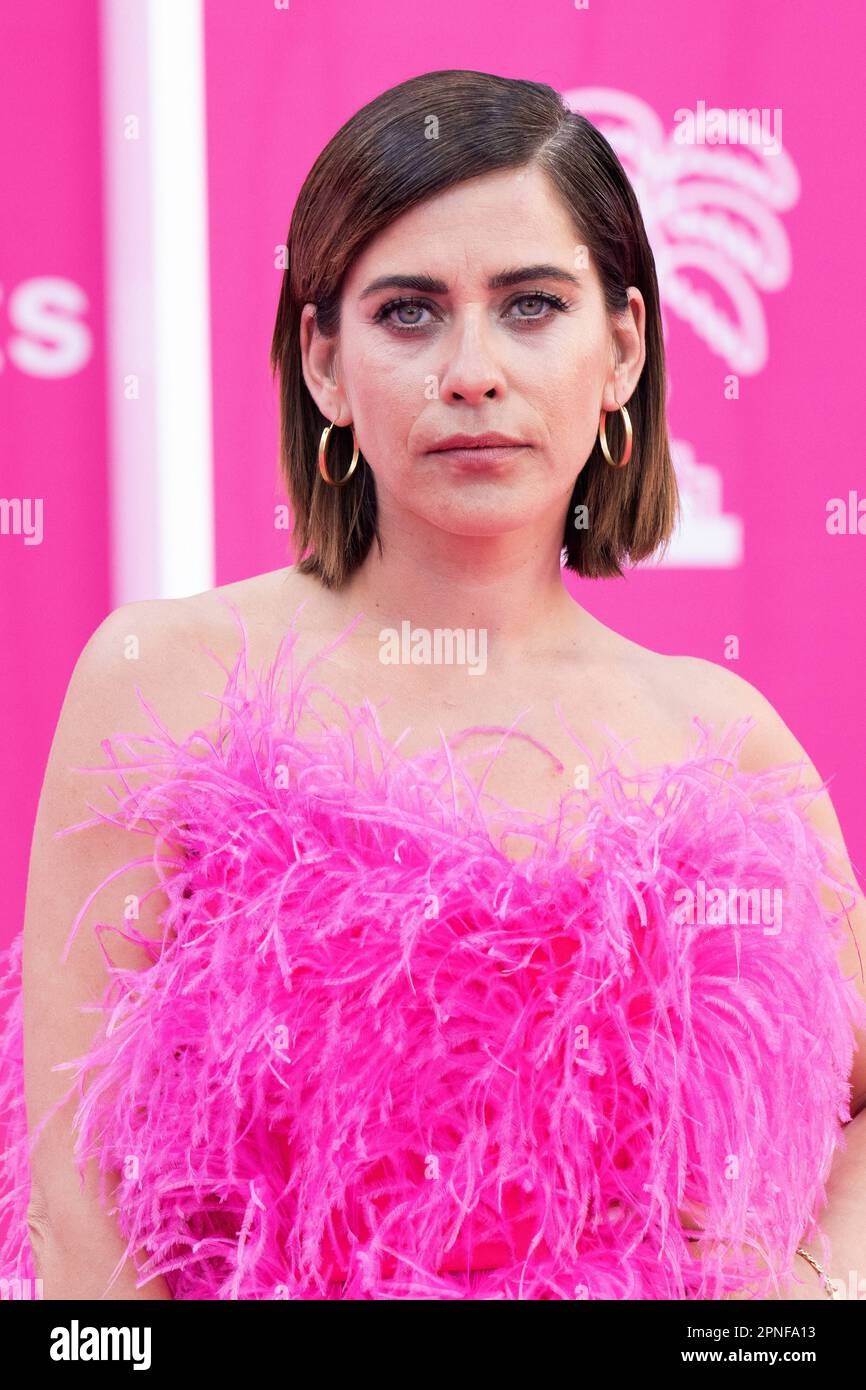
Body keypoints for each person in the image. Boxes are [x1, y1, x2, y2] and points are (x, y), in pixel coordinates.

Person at [1, 68, 864, 1301]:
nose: (471, 370)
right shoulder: (165, 683)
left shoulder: (717, 739)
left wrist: (803, 1302)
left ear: (620, 347)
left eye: (529, 306)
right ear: (320, 361)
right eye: (408, 312)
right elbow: (80, 1225)